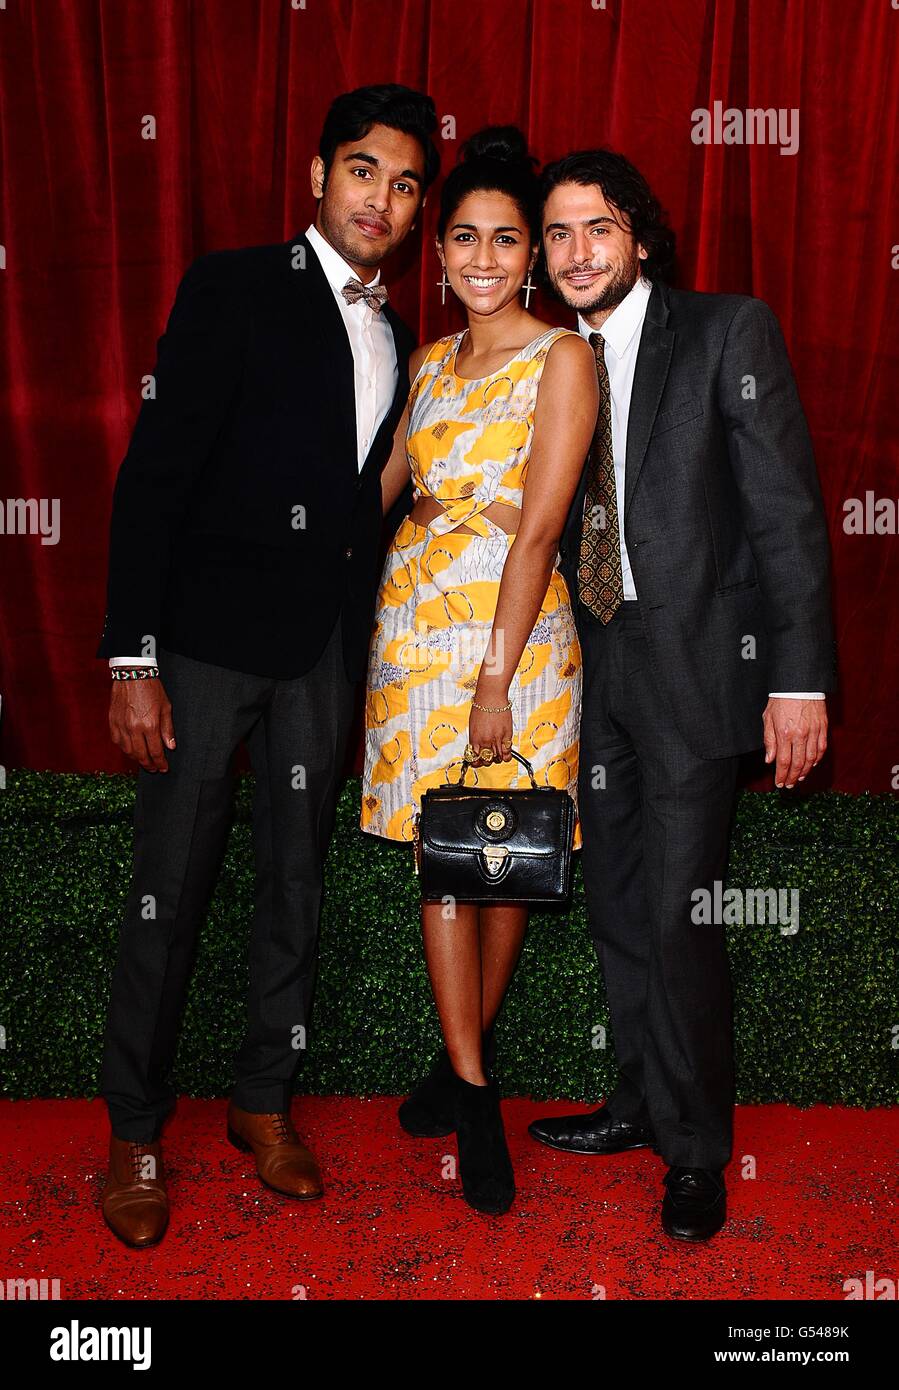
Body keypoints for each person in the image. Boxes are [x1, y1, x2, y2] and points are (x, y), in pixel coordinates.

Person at [95, 84, 440, 1247]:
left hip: (321, 656)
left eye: (402, 185)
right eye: (361, 171)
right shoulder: (232, 285)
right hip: (198, 646)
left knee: (295, 886)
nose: (379, 199)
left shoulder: (400, 335)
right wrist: (130, 655)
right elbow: (153, 477)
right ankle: (135, 1130)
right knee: (170, 890)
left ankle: (260, 1103)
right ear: (315, 176)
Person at [527, 149, 835, 1241]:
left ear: (639, 238)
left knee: (676, 910)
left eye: (596, 230)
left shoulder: (723, 331)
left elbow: (786, 516)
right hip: (594, 665)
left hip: (702, 667)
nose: (575, 253)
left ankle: (697, 1146)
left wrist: (796, 680)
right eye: (556, 234)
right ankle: (638, 1102)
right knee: (614, 901)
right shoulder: (547, 357)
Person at [361, 127, 598, 1216]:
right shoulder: (421, 364)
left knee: (501, 857)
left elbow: (542, 529)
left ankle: (460, 1072)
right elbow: (382, 500)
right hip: (415, 637)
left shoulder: (563, 357)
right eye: (464, 236)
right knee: (437, 849)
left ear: (530, 255)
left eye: (508, 238)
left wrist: (496, 676)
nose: (486, 256)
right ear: (440, 252)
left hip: (514, 640)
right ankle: (470, 1082)